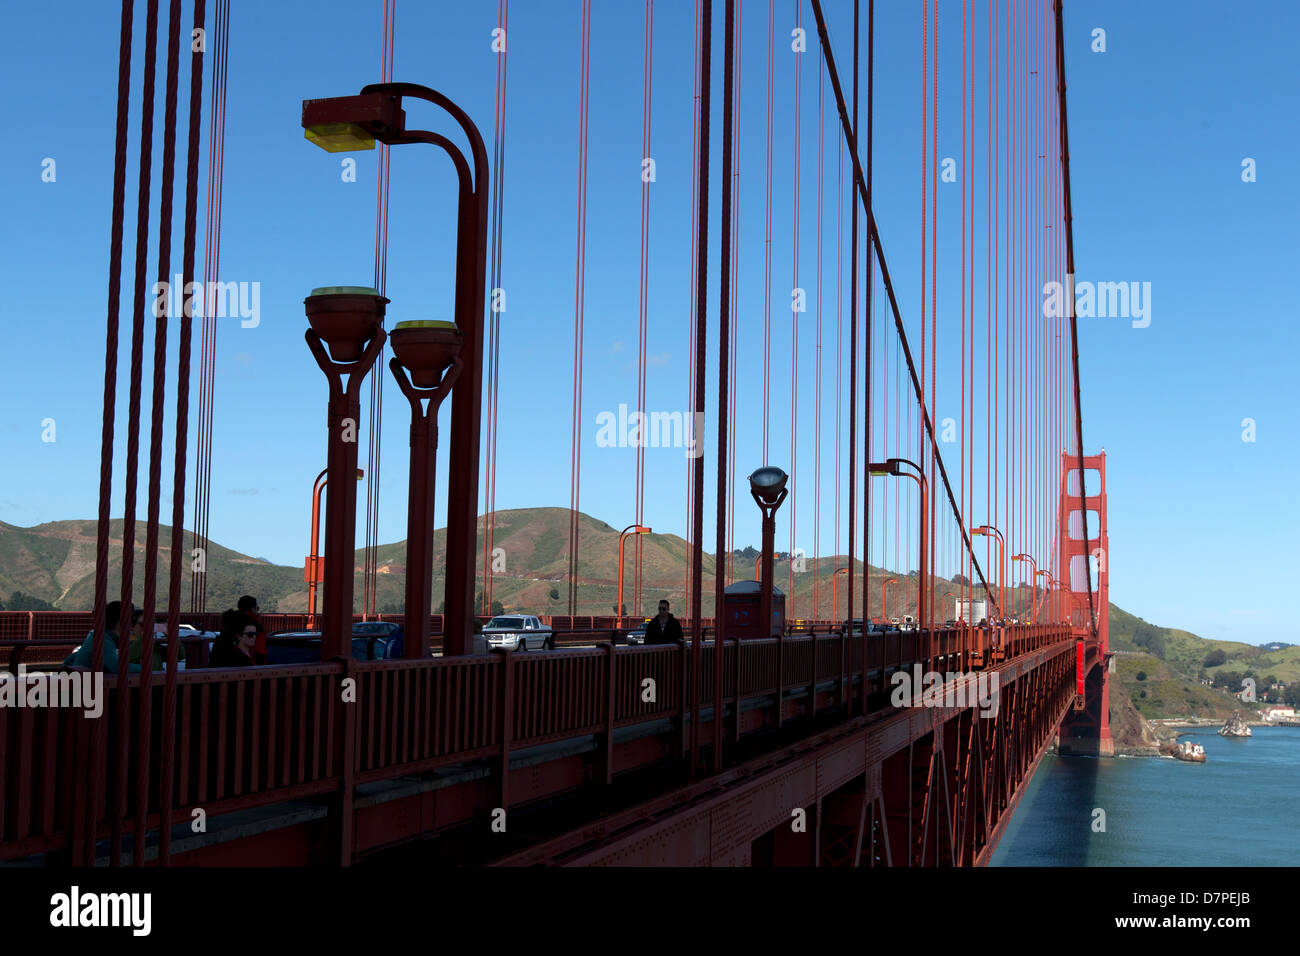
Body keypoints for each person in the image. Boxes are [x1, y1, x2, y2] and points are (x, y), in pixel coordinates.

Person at [64, 601, 142, 674]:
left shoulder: (100, 637)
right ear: (121, 622)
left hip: (85, 684)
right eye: (132, 620)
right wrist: (145, 668)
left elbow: (70, 660)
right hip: (88, 686)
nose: (132, 626)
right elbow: (117, 668)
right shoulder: (103, 640)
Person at [238, 595, 267, 665]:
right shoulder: (254, 625)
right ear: (252, 609)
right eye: (257, 608)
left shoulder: (233, 622)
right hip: (254, 665)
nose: (258, 611)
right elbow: (261, 649)